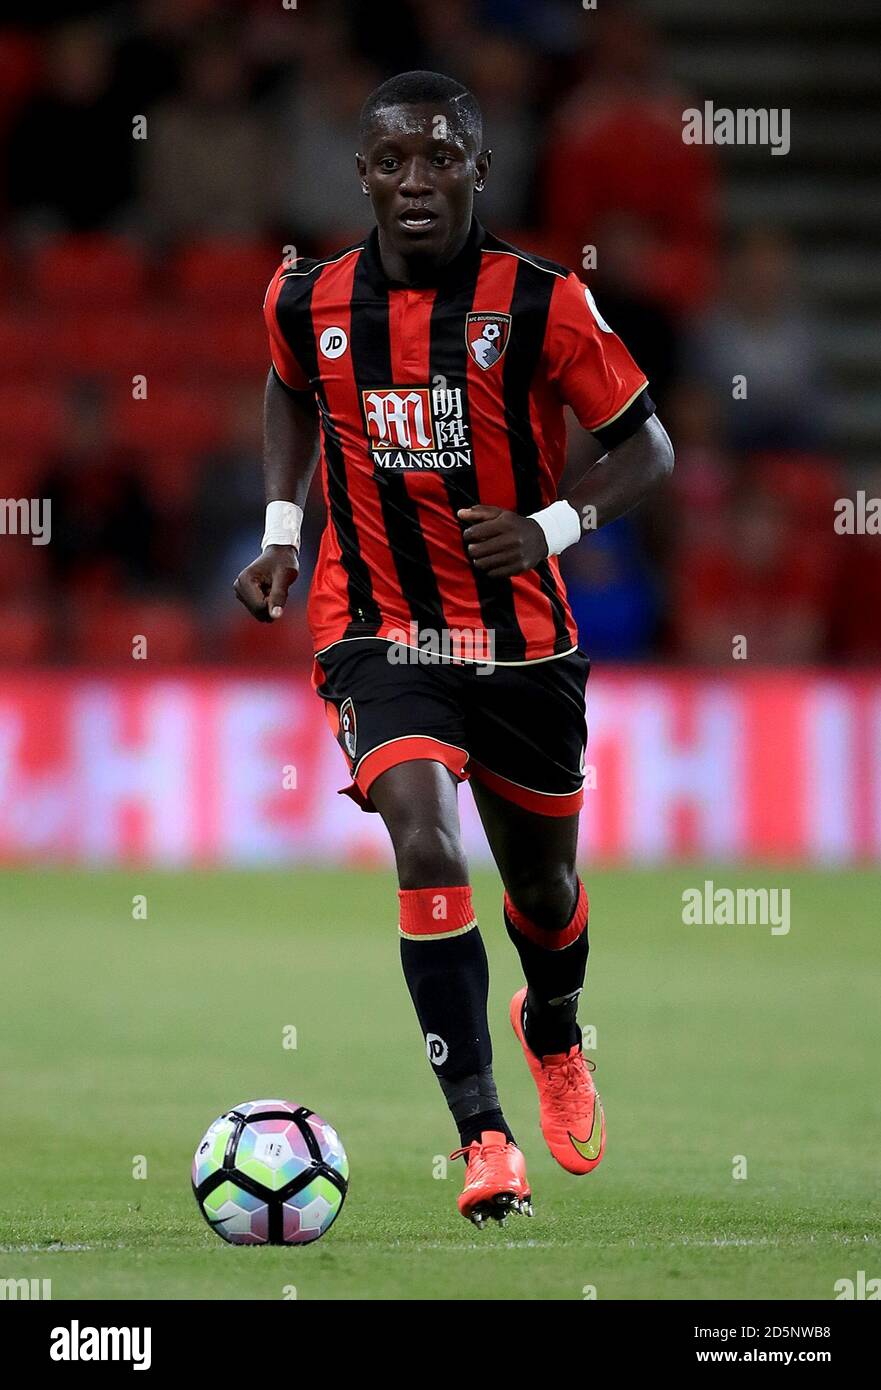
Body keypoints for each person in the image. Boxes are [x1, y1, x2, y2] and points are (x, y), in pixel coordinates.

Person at [234, 70, 673, 1226]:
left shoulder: (542, 304)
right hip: (376, 629)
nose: (415, 181)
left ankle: (554, 1027)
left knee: (543, 884)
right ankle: (483, 1138)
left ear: (480, 168)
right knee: (425, 843)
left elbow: (648, 450)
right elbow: (287, 393)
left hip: (523, 644)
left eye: (439, 159)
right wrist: (284, 530)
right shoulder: (307, 298)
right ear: (363, 174)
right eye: (391, 161)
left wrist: (546, 525)